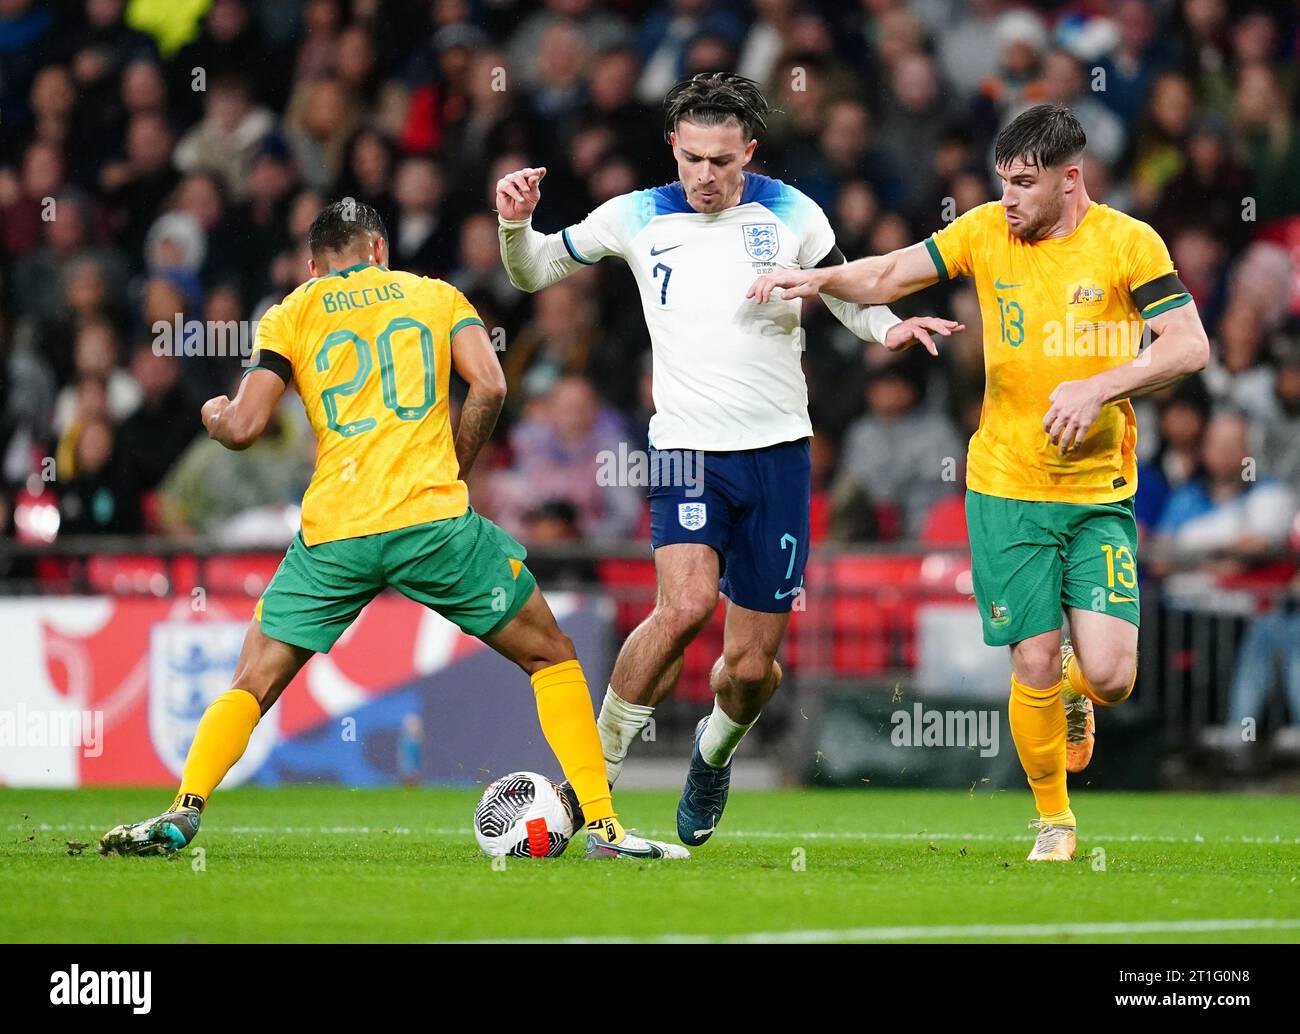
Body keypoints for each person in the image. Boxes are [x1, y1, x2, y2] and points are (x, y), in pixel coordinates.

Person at [99, 200, 687, 861]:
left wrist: (215, 417)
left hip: (335, 532)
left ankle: (184, 808)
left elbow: (243, 427)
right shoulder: (434, 295)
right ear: (379, 249)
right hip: (431, 522)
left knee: (254, 679)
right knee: (550, 656)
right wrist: (455, 467)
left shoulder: (293, 310)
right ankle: (604, 829)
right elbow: (489, 386)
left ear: (314, 264)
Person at [496, 72, 958, 846]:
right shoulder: (634, 214)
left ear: (748, 150)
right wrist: (516, 226)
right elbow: (535, 270)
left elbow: (842, 288)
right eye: (693, 159)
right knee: (683, 606)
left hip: (776, 453)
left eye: (722, 160)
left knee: (749, 670)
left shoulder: (791, 212)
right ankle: (589, 783)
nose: (706, 176)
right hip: (683, 448)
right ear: (673, 147)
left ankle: (714, 752)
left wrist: (889, 331)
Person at [750, 103, 1210, 860]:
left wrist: (1101, 386)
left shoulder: (1129, 243)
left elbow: (1189, 346)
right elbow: (893, 271)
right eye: (1003, 181)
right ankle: (1055, 822)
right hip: (1006, 487)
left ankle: (1073, 688)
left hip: (1098, 494)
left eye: (1025, 183)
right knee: (1028, 656)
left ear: (1071, 178)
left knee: (1114, 677)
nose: (1010, 198)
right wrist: (817, 279)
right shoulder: (986, 230)